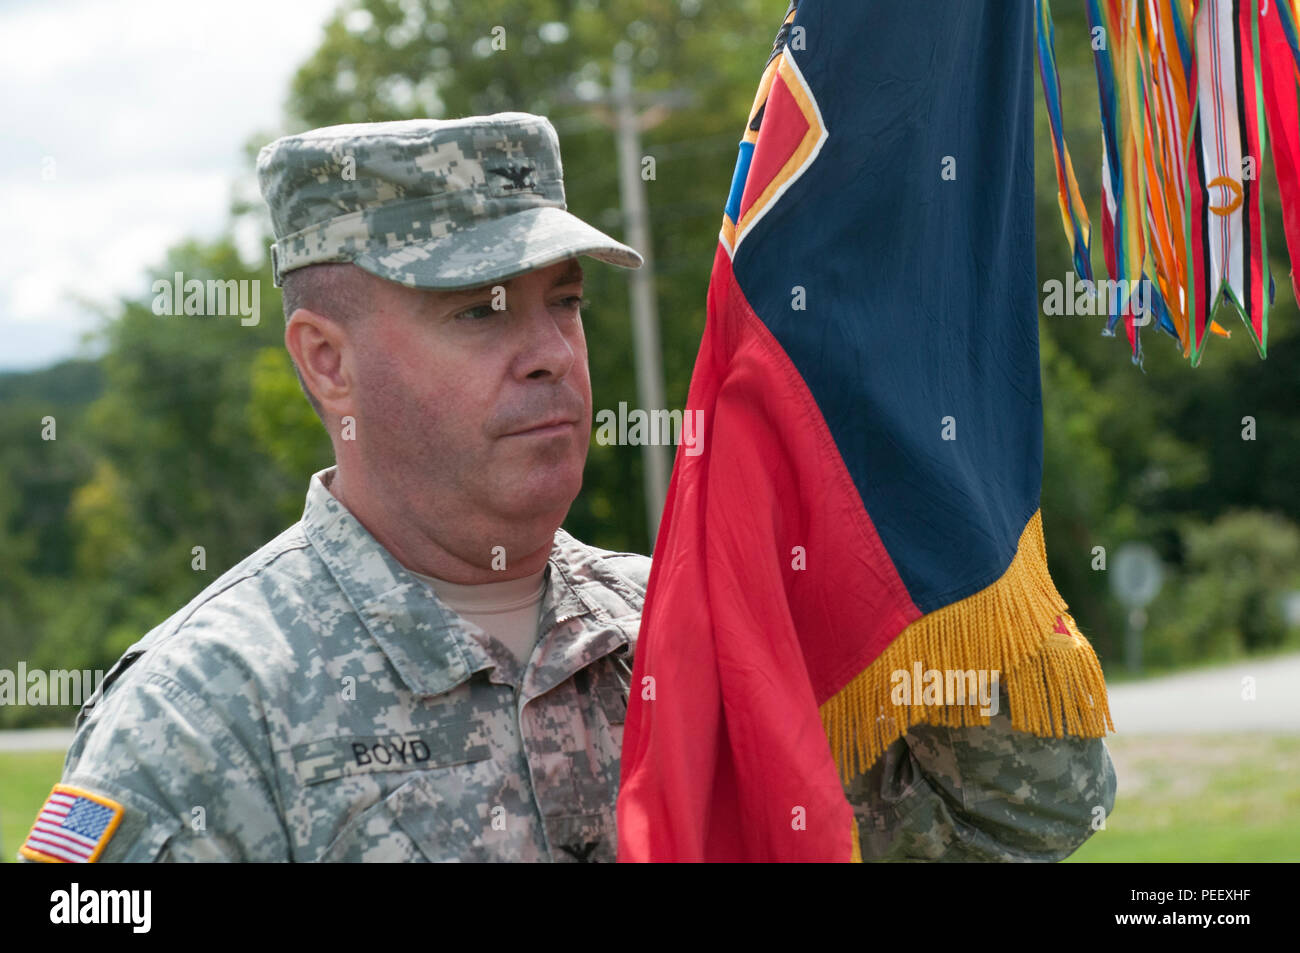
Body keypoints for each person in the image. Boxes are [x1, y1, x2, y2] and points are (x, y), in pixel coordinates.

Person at [19, 113, 1113, 863]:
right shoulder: (202, 709)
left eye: (565, 301)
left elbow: (1017, 822)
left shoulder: (679, 628)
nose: (550, 352)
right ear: (326, 361)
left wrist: (918, 470)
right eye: (479, 310)